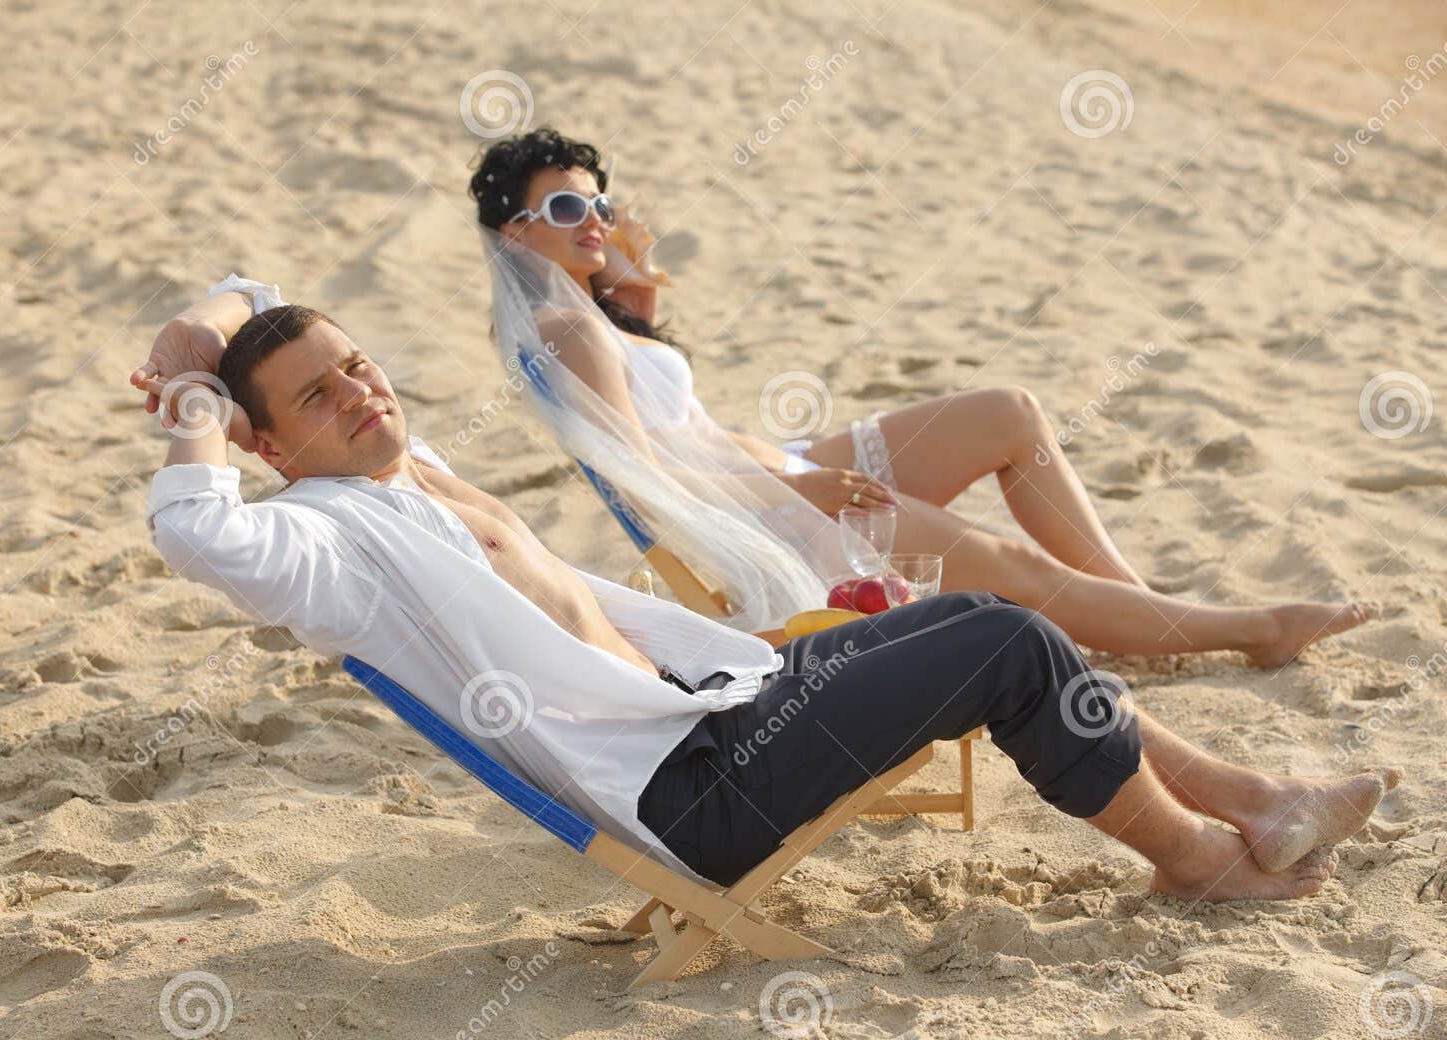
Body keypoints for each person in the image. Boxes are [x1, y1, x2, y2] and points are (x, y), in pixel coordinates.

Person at [127, 276, 1399, 901]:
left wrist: (202, 325)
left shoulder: (405, 470)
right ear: (266, 445)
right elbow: (191, 528)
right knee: (1007, 644)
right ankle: (1199, 860)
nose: (359, 392)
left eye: (357, 365)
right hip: (696, 794)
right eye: (319, 395)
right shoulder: (327, 540)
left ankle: (1254, 797)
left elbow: (252, 290)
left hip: (721, 702)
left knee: (959, 615)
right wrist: (191, 399)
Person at [470, 127, 1368, 664]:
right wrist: (800, 490)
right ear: (515, 232)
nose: (595, 221)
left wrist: (631, 281)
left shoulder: (584, 315)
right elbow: (651, 473)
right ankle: (1253, 627)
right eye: (566, 210)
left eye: (599, 204)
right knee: (1015, 570)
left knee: (1010, 414)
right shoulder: (566, 329)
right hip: (768, 513)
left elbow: (665, 408)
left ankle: (1147, 608)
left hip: (784, 473)